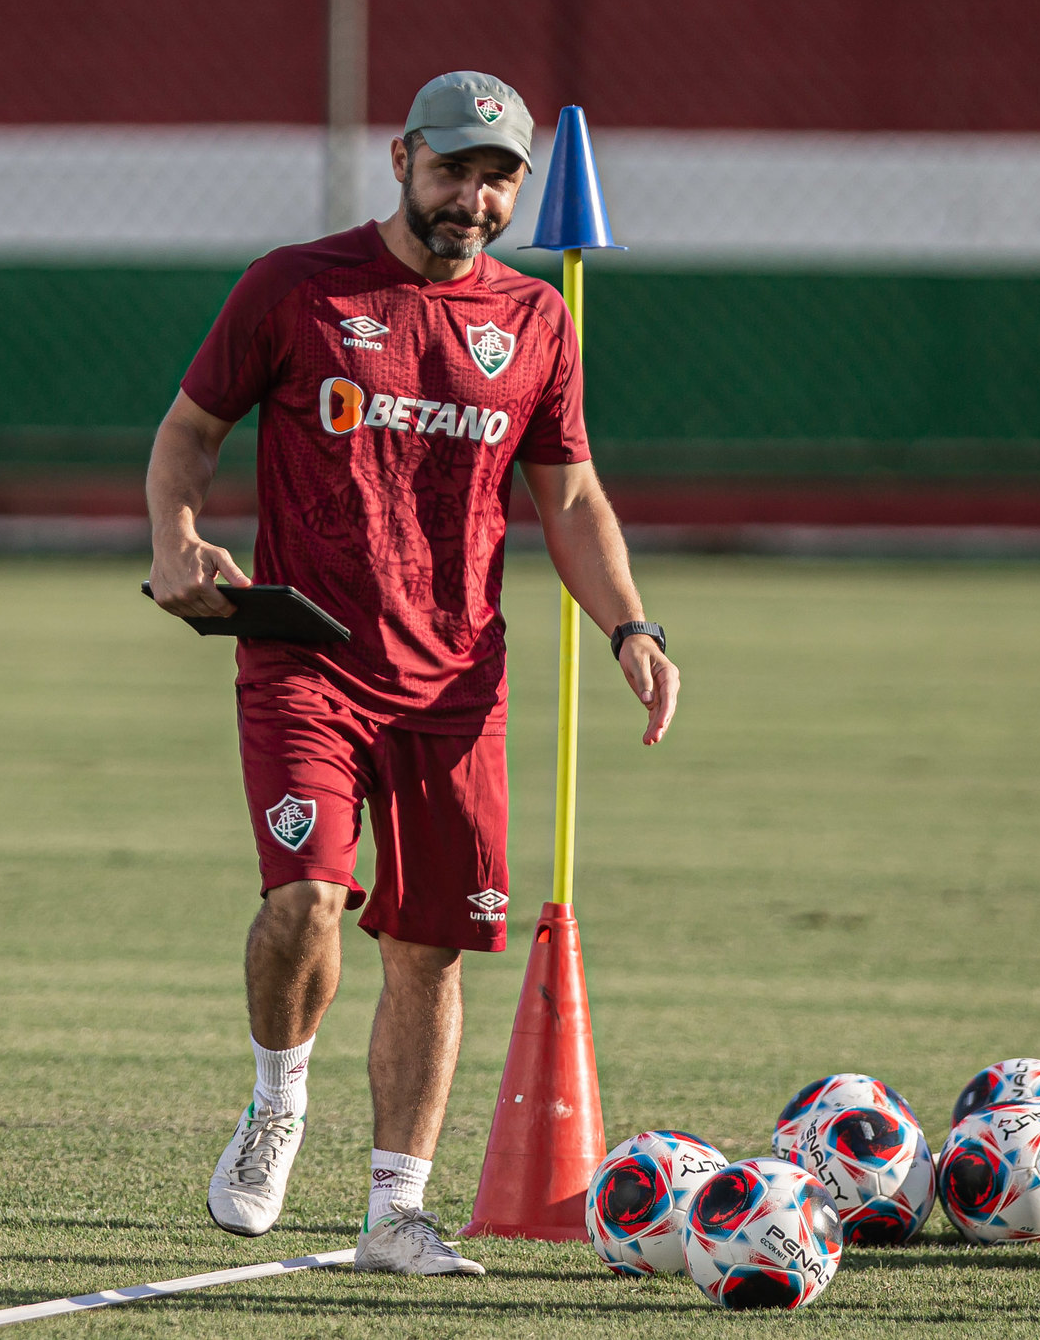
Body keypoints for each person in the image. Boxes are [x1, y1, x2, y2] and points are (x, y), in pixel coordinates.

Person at [145, 70, 680, 1276]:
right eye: (453, 171)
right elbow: (188, 434)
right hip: (305, 657)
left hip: (454, 682)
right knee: (306, 897)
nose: (474, 201)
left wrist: (631, 630)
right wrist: (176, 540)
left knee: (429, 949)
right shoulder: (294, 287)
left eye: (498, 180)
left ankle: (395, 1212)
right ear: (399, 161)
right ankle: (277, 1096)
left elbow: (572, 496)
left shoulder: (538, 321)